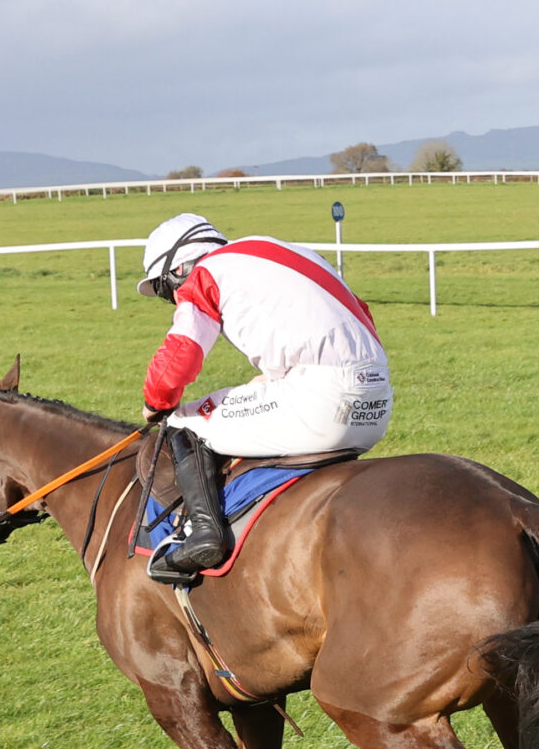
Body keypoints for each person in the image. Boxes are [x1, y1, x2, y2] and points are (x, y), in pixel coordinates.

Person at [135, 212, 392, 579]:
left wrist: (155, 403)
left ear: (178, 270)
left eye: (164, 291)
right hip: (378, 401)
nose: (173, 299)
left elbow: (182, 351)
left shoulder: (204, 274)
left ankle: (205, 534)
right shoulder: (278, 250)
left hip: (323, 401)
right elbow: (357, 313)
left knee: (182, 421)